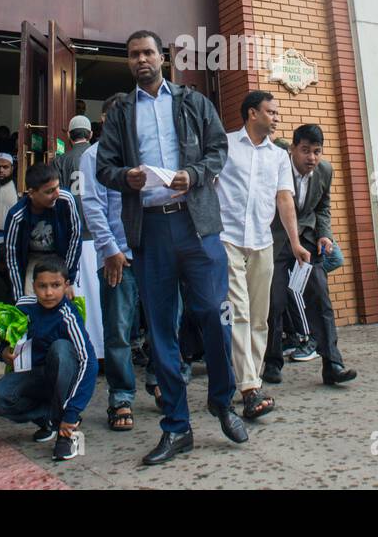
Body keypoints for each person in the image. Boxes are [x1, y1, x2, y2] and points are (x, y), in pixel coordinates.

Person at [96, 30, 247, 465]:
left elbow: (219, 149)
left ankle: (222, 401)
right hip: (151, 234)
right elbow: (105, 168)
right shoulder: (122, 111)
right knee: (161, 331)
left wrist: (194, 175)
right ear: (128, 62)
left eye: (147, 53)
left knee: (215, 317)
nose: (140, 60)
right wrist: (126, 178)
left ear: (162, 57)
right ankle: (177, 427)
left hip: (197, 228)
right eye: (132, 55)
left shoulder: (192, 101)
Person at [218, 91, 307, 420]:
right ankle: (250, 388)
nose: (277, 117)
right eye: (271, 111)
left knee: (259, 316)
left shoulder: (279, 156)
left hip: (262, 241)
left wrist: (296, 243)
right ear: (252, 114)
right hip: (227, 239)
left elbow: (285, 200)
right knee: (239, 311)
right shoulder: (225, 145)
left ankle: (247, 381)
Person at [261, 124, 354, 386]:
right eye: (305, 151)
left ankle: (332, 363)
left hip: (308, 239)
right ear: (293, 149)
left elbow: (323, 206)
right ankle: (272, 361)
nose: (311, 158)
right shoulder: (276, 162)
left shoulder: (324, 170)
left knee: (320, 297)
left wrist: (324, 234)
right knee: (275, 301)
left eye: (317, 151)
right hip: (275, 238)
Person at [0, 258, 97, 461]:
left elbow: (89, 362)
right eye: (42, 286)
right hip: (34, 375)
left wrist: (73, 411)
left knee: (61, 349)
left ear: (66, 286)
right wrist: (3, 353)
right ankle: (48, 419)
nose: (49, 293)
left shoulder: (68, 315)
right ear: (33, 286)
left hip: (63, 374)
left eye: (55, 285)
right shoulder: (23, 306)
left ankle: (67, 431)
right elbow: (5, 337)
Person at [81, 92, 143, 432]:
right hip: (117, 256)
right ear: (106, 120)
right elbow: (92, 205)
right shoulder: (93, 157)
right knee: (117, 331)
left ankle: (162, 383)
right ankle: (121, 396)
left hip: (152, 255)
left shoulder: (145, 153)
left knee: (164, 326)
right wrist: (110, 250)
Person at [57, 113, 103, 357]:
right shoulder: (97, 156)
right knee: (98, 293)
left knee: (78, 291)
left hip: (74, 234)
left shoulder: (62, 160)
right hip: (97, 232)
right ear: (91, 134)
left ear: (69, 135)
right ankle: (101, 348)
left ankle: (79, 344)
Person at [4, 162, 82, 299]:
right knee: (31, 302)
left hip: (60, 257)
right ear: (32, 193)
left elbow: (75, 238)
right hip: (33, 259)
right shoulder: (17, 216)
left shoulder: (66, 200)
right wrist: (19, 299)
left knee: (62, 302)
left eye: (57, 187)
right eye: (49, 191)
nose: (56, 194)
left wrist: (69, 280)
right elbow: (12, 257)